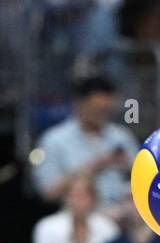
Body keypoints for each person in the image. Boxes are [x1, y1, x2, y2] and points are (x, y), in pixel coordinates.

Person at [33, 76, 138, 210]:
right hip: (76, 218)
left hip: (122, 215)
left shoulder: (122, 136)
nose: (102, 114)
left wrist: (127, 166)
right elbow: (48, 193)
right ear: (79, 104)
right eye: (96, 108)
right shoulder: (54, 140)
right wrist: (93, 166)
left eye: (107, 109)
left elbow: (141, 181)